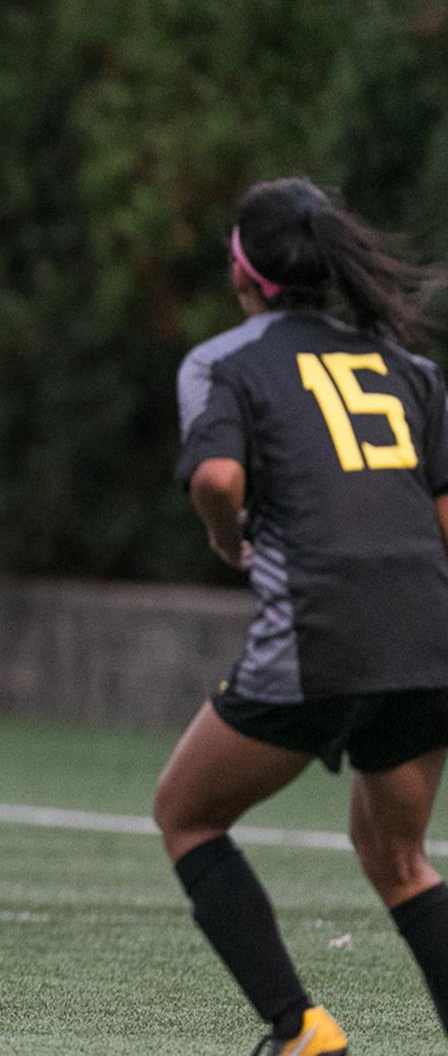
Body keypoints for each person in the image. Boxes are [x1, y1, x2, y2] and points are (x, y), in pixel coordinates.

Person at [155, 176, 448, 1055]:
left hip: (321, 637)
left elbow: (216, 478)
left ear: (245, 275)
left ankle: (301, 1029)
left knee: (187, 814)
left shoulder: (224, 362)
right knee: (400, 861)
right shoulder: (412, 371)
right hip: (429, 638)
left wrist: (222, 533)